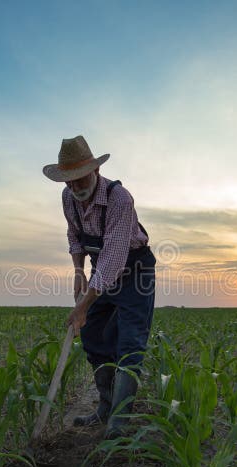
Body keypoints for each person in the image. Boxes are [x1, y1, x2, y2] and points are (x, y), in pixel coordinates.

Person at [43, 135, 156, 439]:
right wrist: (78, 269)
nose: (76, 187)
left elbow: (113, 258)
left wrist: (82, 305)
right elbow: (74, 236)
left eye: (80, 179)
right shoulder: (69, 199)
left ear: (94, 171)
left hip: (135, 271)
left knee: (130, 344)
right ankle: (105, 407)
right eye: (69, 182)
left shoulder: (120, 199)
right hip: (99, 270)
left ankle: (118, 424)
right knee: (93, 336)